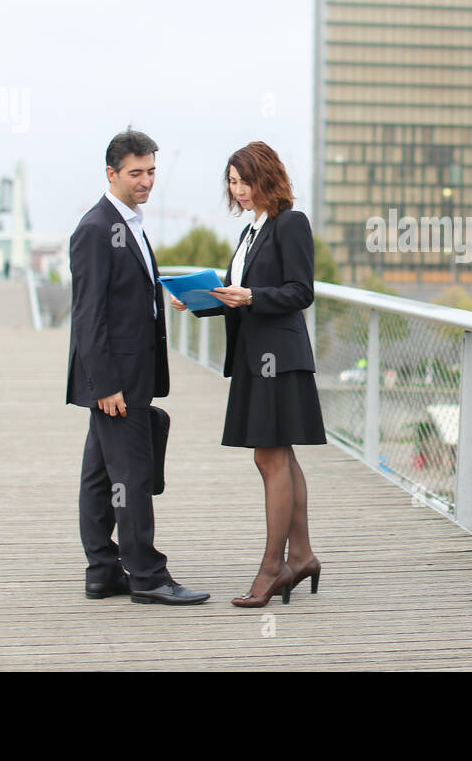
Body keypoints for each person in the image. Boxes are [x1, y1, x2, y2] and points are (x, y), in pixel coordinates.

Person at [169, 141, 326, 608]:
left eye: (244, 180)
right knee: (280, 456)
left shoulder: (290, 224)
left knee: (270, 458)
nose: (237, 190)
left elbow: (300, 291)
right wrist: (201, 301)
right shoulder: (250, 232)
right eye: (232, 182)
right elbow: (240, 293)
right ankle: (301, 555)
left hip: (279, 357)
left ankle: (274, 566)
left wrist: (254, 296)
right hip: (256, 358)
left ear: (267, 177)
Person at [67, 129, 209, 605]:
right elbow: (88, 315)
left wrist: (159, 294)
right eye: (136, 173)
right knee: (131, 475)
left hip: (127, 374)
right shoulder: (95, 227)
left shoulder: (129, 221)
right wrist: (106, 385)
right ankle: (147, 576)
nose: (146, 180)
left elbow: (122, 293)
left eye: (151, 171)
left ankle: (103, 572)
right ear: (111, 174)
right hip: (117, 380)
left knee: (100, 475)